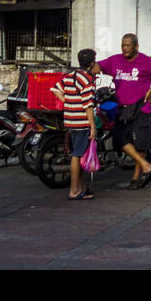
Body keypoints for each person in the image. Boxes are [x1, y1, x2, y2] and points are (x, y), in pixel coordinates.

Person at [99, 33, 151, 190]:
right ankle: (146, 165)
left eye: (128, 45)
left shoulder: (146, 61)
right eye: (123, 45)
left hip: (141, 107)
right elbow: (99, 67)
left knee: (141, 143)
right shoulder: (115, 60)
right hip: (122, 109)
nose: (125, 48)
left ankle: (137, 177)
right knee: (119, 139)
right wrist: (87, 63)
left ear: (136, 46)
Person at [53, 48, 99, 200]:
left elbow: (55, 89)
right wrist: (92, 126)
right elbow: (88, 106)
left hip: (70, 120)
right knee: (78, 155)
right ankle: (74, 190)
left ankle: (81, 188)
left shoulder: (71, 76)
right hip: (81, 122)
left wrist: (68, 102)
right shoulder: (87, 80)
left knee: (78, 153)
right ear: (91, 64)